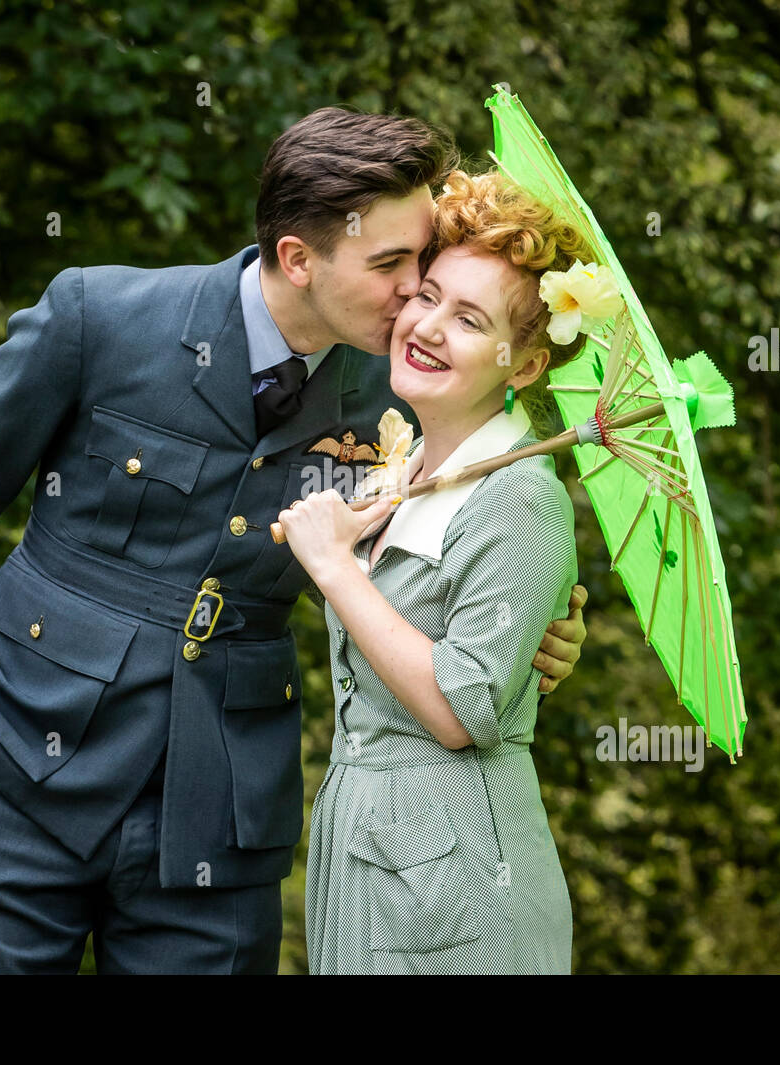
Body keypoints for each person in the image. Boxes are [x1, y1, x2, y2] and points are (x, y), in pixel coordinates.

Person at [0, 108, 589, 974]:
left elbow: (467, 547)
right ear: (298, 259)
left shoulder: (403, 390)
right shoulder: (100, 317)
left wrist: (541, 628)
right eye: (392, 266)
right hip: (9, 771)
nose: (418, 292)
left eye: (424, 259)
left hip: (218, 810)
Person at [278, 168, 595, 974]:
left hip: (457, 883)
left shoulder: (522, 495)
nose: (426, 325)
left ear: (522, 364)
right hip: (367, 852)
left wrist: (336, 570)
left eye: (469, 318)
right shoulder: (407, 466)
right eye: (427, 295)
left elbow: (464, 707)